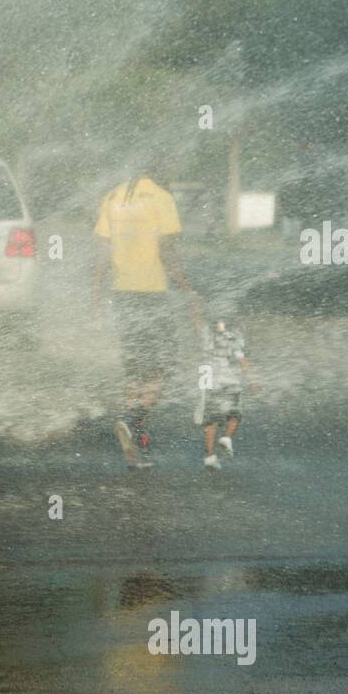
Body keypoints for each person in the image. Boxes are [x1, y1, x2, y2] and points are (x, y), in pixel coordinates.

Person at [95, 162, 201, 467]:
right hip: (152, 292)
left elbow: (102, 250)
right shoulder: (160, 197)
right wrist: (187, 287)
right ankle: (133, 420)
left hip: (121, 292)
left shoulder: (113, 197)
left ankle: (136, 434)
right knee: (163, 364)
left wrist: (96, 294)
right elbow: (167, 249)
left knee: (136, 366)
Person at [199, 318, 259, 470]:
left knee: (211, 420)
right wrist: (253, 380)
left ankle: (210, 457)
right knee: (234, 415)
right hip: (230, 381)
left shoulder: (206, 337)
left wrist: (194, 305)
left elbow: (197, 323)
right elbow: (242, 361)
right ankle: (226, 437)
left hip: (209, 380)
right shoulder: (233, 339)